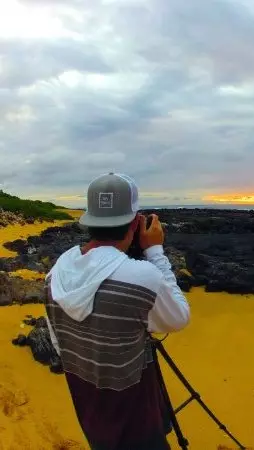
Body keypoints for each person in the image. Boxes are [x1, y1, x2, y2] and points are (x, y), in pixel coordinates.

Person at [43, 172, 190, 450]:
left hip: (88, 407)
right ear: (136, 222)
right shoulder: (140, 277)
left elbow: (59, 342)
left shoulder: (55, 273)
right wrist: (155, 252)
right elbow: (179, 318)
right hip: (134, 418)